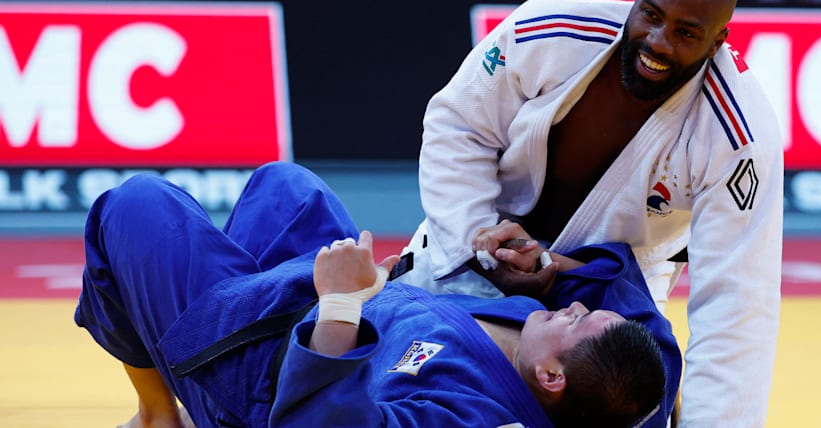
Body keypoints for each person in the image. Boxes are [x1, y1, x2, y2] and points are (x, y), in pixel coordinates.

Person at [396, 0, 784, 426]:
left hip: (604, 305)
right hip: (472, 256)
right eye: (652, 16)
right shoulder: (556, 22)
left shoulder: (738, 135)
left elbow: (735, 304)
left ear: (719, 40)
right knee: (411, 383)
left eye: (687, 33)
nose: (658, 43)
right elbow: (460, 124)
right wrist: (476, 245)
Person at [74, 161, 681, 428]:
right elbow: (628, 300)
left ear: (552, 378)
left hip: (263, 382)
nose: (573, 304)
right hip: (331, 301)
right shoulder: (626, 389)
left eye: (574, 320)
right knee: (289, 189)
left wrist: (341, 306)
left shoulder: (472, 416)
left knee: (134, 207)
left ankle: (162, 415)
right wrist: (549, 265)